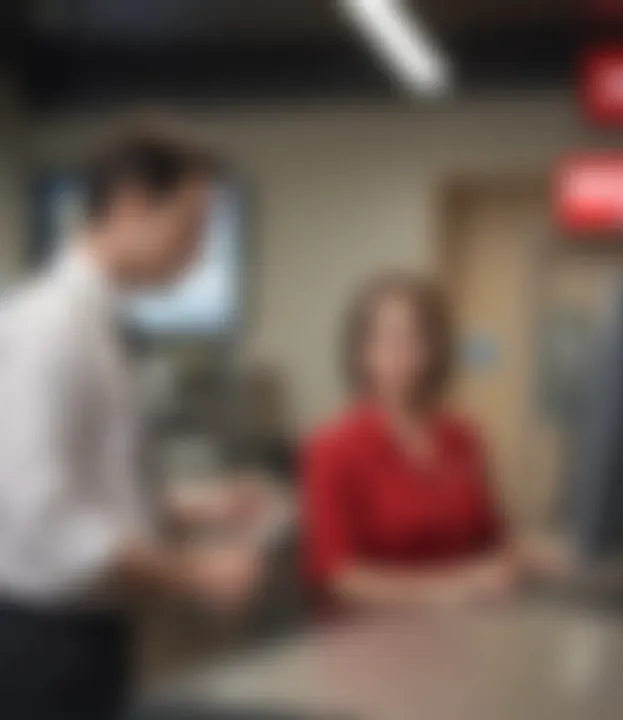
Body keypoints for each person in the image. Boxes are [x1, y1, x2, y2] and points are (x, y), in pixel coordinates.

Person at [0, 126, 261, 719]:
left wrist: (195, 506)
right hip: (43, 643)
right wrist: (192, 574)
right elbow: (47, 520)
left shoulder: (103, 328)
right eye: (190, 227)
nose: (196, 253)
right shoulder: (49, 326)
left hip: (88, 636)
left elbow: (96, 484)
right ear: (129, 205)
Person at [303, 271, 516, 612]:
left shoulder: (463, 437)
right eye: (387, 337)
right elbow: (339, 576)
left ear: (434, 348)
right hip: (370, 641)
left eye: (416, 336)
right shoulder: (332, 447)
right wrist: (452, 590)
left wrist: (530, 559)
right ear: (362, 352)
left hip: (467, 629)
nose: (402, 350)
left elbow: (492, 541)